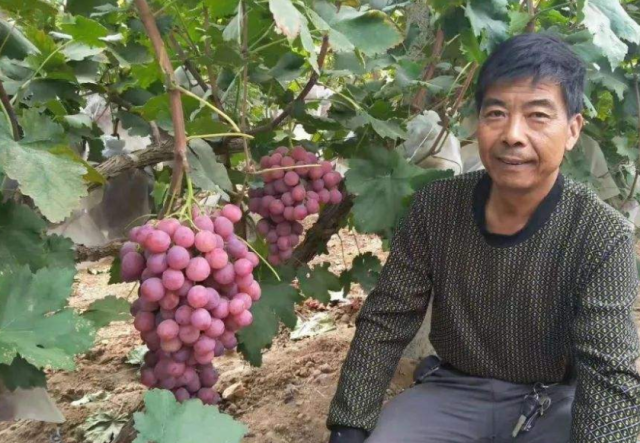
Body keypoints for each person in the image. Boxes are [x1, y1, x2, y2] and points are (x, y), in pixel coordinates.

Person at [326, 33, 640, 443]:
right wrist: (349, 424)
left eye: (537, 115)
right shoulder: (436, 207)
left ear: (572, 130)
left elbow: (609, 370)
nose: (513, 134)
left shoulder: (600, 233)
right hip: (451, 391)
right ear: (478, 124)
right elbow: (387, 317)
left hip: (552, 401)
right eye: (496, 113)